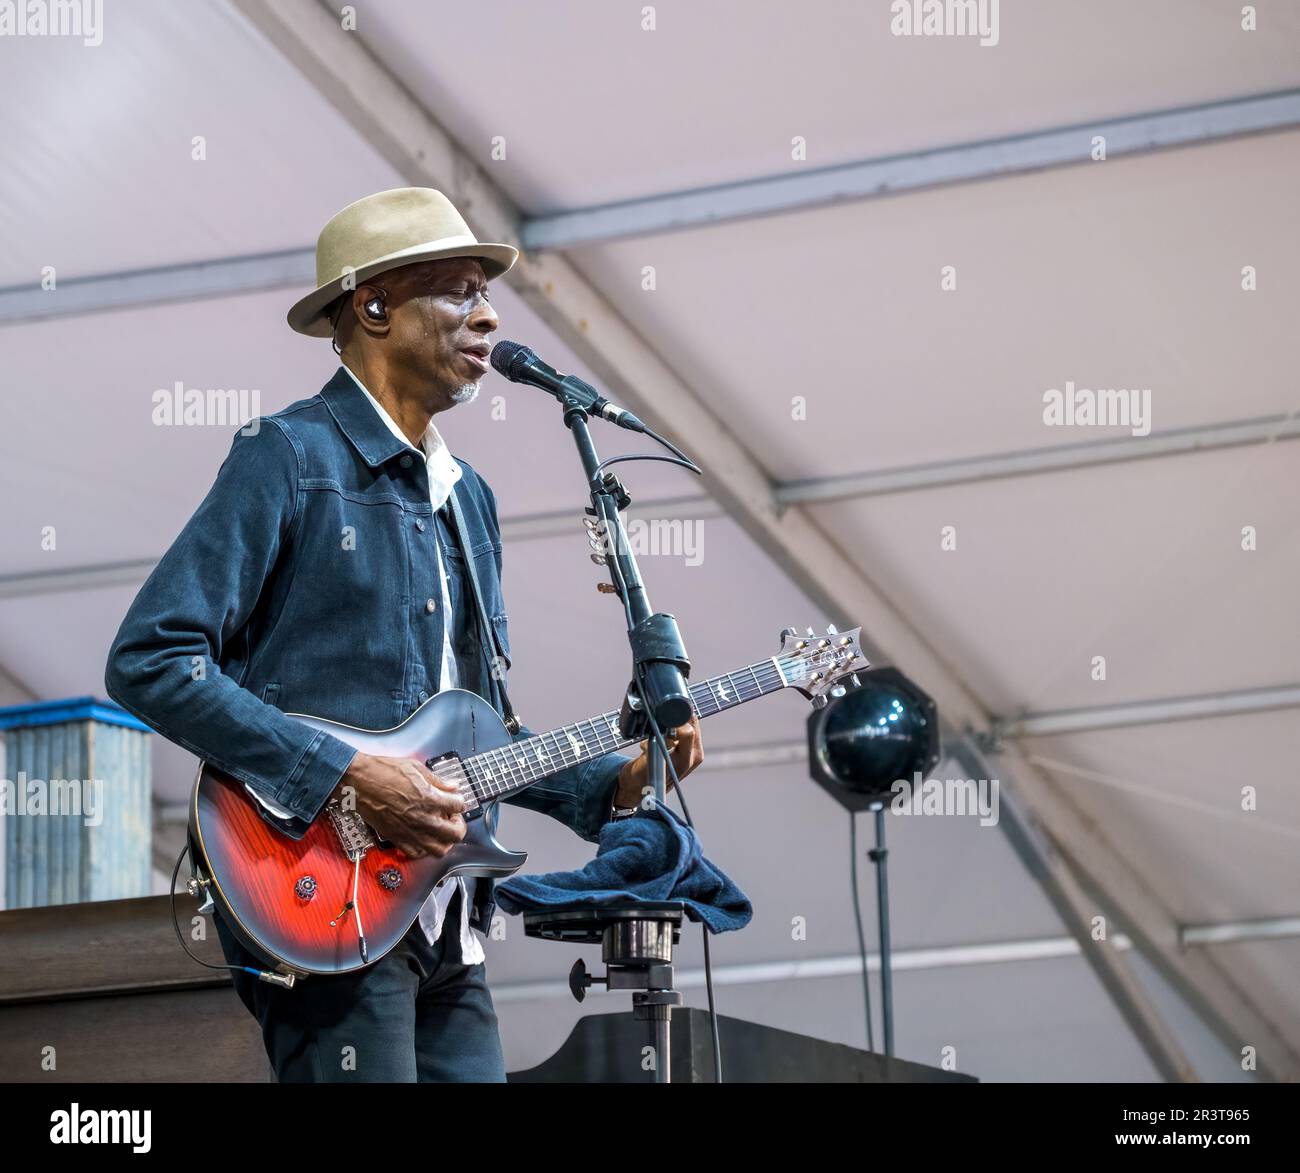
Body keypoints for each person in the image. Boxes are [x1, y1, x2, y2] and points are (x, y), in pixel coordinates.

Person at [106, 187, 703, 1082]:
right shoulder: (289, 456)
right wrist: (348, 772)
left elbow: (478, 731)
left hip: (443, 916)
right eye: (459, 288)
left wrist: (612, 783)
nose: (489, 313)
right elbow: (151, 659)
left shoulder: (471, 498)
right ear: (373, 304)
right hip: (315, 892)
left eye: (485, 291)